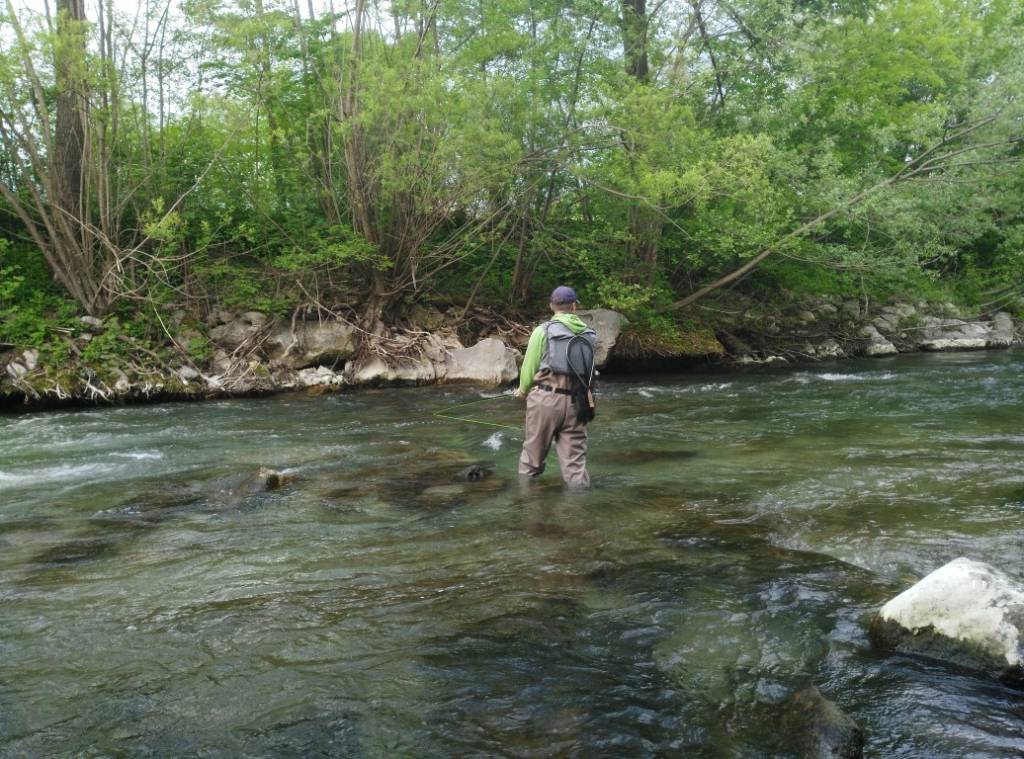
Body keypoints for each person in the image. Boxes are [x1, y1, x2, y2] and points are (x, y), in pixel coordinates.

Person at [514, 286, 598, 488]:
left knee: (530, 463)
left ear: (552, 306)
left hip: (546, 400)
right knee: (575, 468)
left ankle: (527, 509)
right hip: (577, 404)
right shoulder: (590, 335)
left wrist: (523, 390)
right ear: (575, 307)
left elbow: (528, 369)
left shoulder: (543, 331)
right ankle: (577, 513)